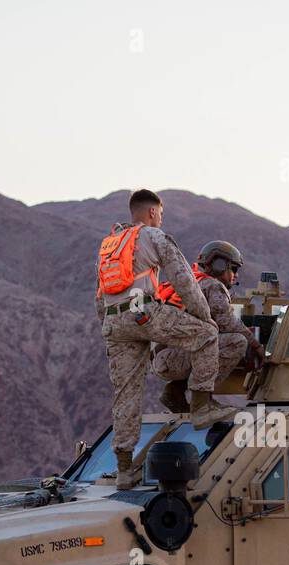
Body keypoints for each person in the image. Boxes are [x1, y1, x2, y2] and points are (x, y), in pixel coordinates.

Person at [96, 189, 236, 489]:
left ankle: (123, 470)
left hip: (114, 321)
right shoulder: (154, 237)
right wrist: (203, 317)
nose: (161, 219)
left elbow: (101, 292)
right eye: (161, 214)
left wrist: (109, 328)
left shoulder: (110, 244)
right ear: (151, 213)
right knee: (207, 335)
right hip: (141, 311)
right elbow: (184, 280)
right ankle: (201, 406)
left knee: (126, 391)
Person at [153, 240, 266, 413]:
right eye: (233, 269)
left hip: (162, 358)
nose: (235, 275)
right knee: (236, 342)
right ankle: (204, 401)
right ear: (220, 265)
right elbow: (228, 322)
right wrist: (255, 344)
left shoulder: (187, 283)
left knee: (206, 339)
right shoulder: (212, 285)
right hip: (176, 357)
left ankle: (174, 391)